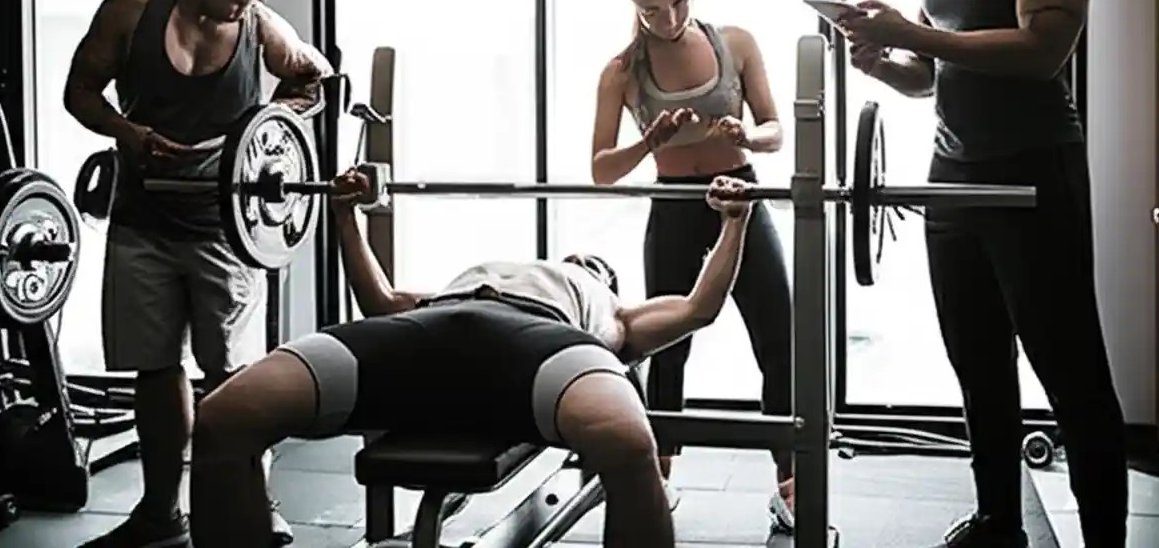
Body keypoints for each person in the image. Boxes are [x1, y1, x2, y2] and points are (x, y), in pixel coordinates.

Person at [186, 169, 758, 548]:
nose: (581, 260)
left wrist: (736, 222)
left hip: (543, 345)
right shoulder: (479, 275)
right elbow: (380, 301)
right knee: (221, 419)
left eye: (593, 263)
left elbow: (697, 308)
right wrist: (344, 215)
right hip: (431, 324)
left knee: (631, 446)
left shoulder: (615, 311)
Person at [835, 0, 1127, 546]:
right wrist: (884, 61)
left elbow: (1040, 51)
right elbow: (936, 76)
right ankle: (1000, 519)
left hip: (1032, 173)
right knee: (978, 364)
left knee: (1072, 374)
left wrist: (915, 32)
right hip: (952, 178)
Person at [62, 0, 331, 548]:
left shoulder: (262, 26)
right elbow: (79, 92)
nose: (243, 7)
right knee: (155, 372)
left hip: (226, 232)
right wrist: (130, 133)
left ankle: (255, 504)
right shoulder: (131, 12)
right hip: (142, 222)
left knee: (235, 379)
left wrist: (274, 122)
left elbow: (314, 77)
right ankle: (160, 516)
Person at [589, 0, 796, 530]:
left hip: (740, 195)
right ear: (634, 5)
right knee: (667, 348)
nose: (669, 19)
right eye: (652, 10)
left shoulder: (736, 43)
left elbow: (775, 128)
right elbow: (602, 169)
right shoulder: (622, 72)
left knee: (776, 336)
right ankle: (660, 480)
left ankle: (789, 483)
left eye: (678, 2)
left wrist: (744, 135)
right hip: (674, 206)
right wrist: (651, 139)